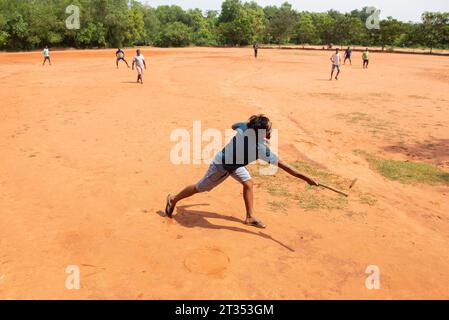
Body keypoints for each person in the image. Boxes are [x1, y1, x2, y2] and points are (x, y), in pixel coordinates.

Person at [165, 115, 319, 229]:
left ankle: (250, 217)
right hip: (222, 166)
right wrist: (307, 178)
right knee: (200, 187)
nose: (271, 130)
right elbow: (285, 166)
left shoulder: (245, 128)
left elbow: (234, 125)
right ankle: (173, 199)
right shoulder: (260, 149)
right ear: (260, 133)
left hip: (235, 163)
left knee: (248, 184)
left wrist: (246, 127)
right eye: (268, 129)